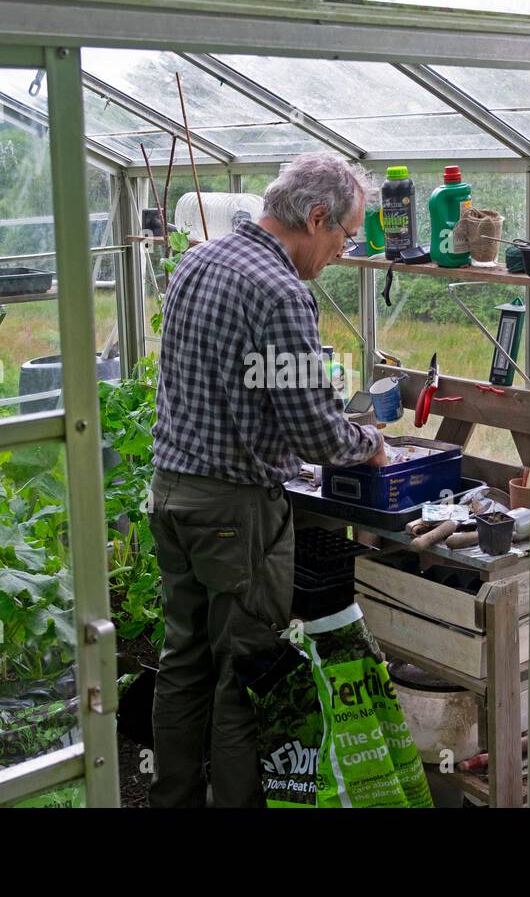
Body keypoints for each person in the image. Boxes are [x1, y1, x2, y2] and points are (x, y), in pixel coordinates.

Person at [148, 153, 387, 807]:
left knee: (184, 662)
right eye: (342, 237)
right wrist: (370, 446)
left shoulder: (199, 259)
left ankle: (172, 799)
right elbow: (314, 429)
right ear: (315, 218)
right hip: (235, 515)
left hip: (171, 495)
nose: (342, 251)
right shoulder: (281, 291)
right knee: (242, 677)